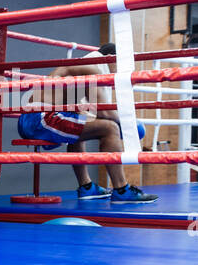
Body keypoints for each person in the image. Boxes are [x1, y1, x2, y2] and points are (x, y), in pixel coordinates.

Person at [15, 43, 157, 203]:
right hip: (41, 119)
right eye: (122, 64)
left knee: (82, 121)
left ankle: (86, 187)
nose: (122, 70)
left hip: (36, 118)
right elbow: (104, 112)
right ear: (110, 58)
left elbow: (85, 112)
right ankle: (122, 189)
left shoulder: (81, 66)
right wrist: (129, 125)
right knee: (111, 128)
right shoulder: (91, 68)